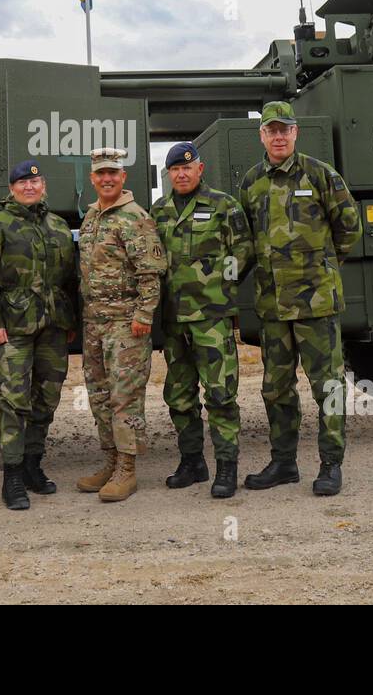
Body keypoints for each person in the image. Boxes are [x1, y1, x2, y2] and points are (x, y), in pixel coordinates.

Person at [237, 101, 362, 496]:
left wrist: (324, 267)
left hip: (316, 303)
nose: (277, 136)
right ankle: (283, 463)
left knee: (327, 385)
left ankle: (330, 465)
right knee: (275, 388)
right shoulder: (252, 182)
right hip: (273, 305)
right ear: (262, 135)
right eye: (271, 130)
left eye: (284, 129)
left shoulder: (320, 175)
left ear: (295, 133)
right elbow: (244, 240)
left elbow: (349, 227)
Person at [0, 160, 77, 511]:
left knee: (46, 399)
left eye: (35, 182)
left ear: (43, 186)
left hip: (53, 327)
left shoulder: (58, 226)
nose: (29, 188)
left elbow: (70, 278)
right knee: (15, 402)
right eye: (22, 183)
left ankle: (33, 465)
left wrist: (70, 318)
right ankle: (12, 476)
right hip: (12, 329)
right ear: (12, 188)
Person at [150, 142, 254, 498]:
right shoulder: (159, 210)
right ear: (169, 174)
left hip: (211, 318)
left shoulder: (223, 205)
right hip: (174, 321)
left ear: (200, 169)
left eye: (187, 167)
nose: (181, 173)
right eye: (174, 169)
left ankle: (227, 467)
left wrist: (221, 283)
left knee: (221, 394)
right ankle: (192, 462)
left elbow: (244, 250)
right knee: (179, 396)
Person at [76, 147, 166, 502]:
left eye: (113, 173)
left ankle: (127, 470)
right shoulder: (92, 218)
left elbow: (151, 272)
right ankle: (111, 461)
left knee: (124, 397)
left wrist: (144, 316)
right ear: (93, 178)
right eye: (101, 173)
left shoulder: (135, 217)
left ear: (123, 177)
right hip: (95, 323)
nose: (107, 178)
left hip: (126, 325)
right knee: (99, 395)